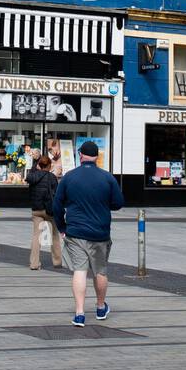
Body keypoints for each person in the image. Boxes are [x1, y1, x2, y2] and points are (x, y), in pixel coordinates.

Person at [53, 139, 123, 327]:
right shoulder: (107, 177)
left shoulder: (69, 177)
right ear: (97, 157)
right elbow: (118, 203)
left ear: (80, 156)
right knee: (100, 271)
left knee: (80, 271)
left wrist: (62, 228)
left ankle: (79, 314)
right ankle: (100, 308)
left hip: (75, 233)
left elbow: (56, 205)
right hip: (100, 233)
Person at [25, 154, 62, 271]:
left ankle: (34, 264)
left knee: (37, 236)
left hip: (37, 209)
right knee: (55, 235)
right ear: (50, 166)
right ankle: (57, 261)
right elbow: (57, 195)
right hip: (50, 210)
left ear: (39, 165)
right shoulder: (52, 177)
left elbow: (30, 187)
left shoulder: (33, 177)